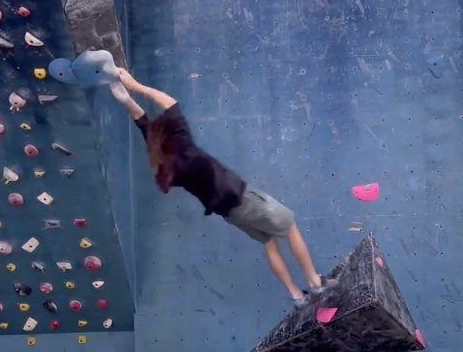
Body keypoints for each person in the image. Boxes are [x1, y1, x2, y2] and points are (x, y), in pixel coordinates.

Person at [111, 70, 336, 308]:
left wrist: (124, 97)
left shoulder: (164, 163)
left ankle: (296, 296)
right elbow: (170, 103)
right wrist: (136, 86)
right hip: (244, 199)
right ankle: (314, 282)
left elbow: (141, 121)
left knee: (269, 242)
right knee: (290, 226)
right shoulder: (184, 146)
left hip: (230, 214)